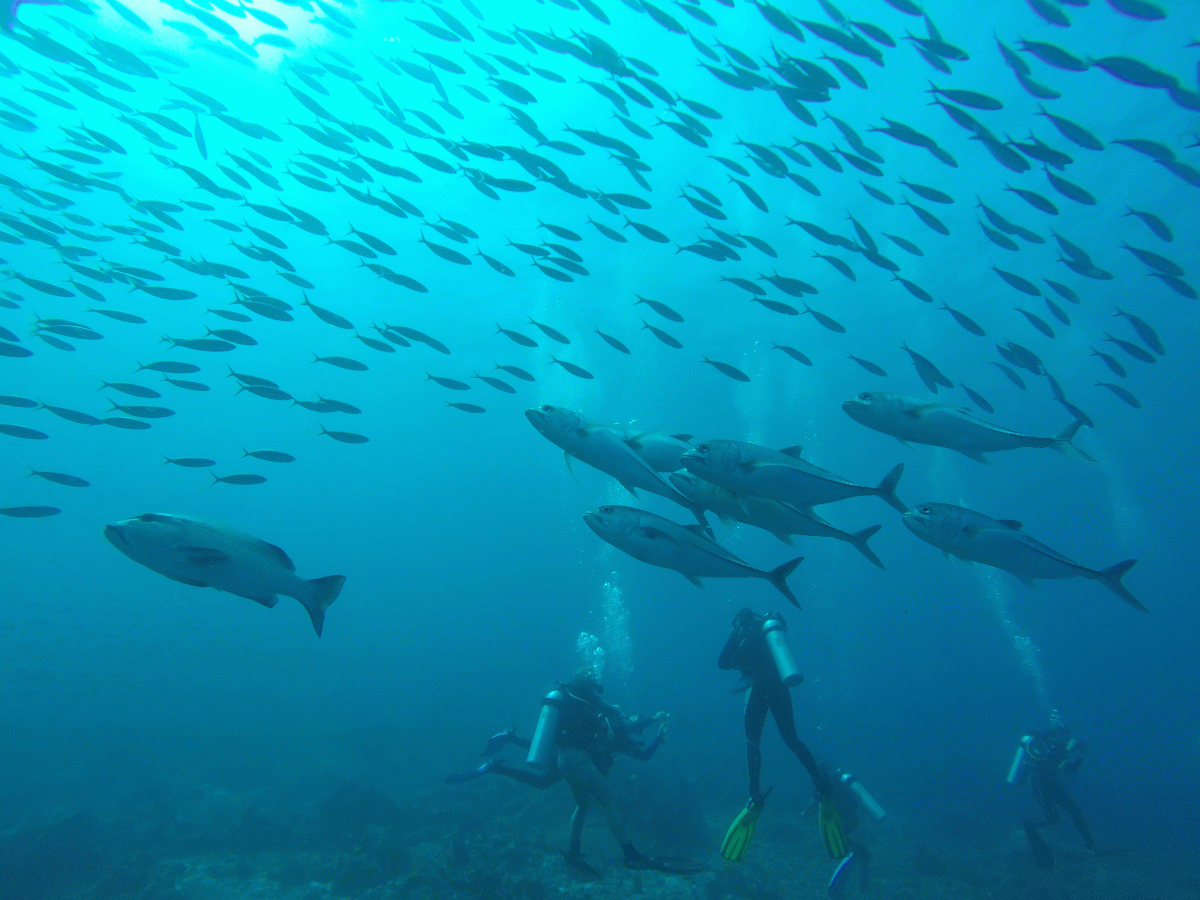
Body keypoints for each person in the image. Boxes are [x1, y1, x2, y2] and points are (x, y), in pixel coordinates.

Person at [445, 669, 694, 873]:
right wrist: (653, 719)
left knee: (577, 801)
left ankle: (573, 851)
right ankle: (630, 855)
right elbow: (624, 720)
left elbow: (637, 748)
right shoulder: (602, 715)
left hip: (568, 759)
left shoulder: (582, 711)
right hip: (577, 761)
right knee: (608, 802)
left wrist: (656, 730)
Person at [717, 609, 843, 862]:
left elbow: (722, 663)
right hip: (779, 686)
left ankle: (755, 796)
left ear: (738, 619)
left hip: (757, 689)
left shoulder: (740, 632)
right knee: (793, 740)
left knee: (753, 744)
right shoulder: (768, 628)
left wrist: (738, 663)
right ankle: (823, 787)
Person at [1009, 721, 1098, 869]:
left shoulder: (1060, 750)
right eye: (1064, 736)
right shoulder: (1044, 746)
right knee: (1056, 817)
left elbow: (1069, 769)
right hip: (1042, 786)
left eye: (1067, 736)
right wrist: (1068, 750)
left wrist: (1081, 755)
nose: (1067, 739)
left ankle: (1090, 845)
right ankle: (1030, 827)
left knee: (1068, 813)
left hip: (1052, 786)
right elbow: (1046, 765)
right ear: (1057, 735)